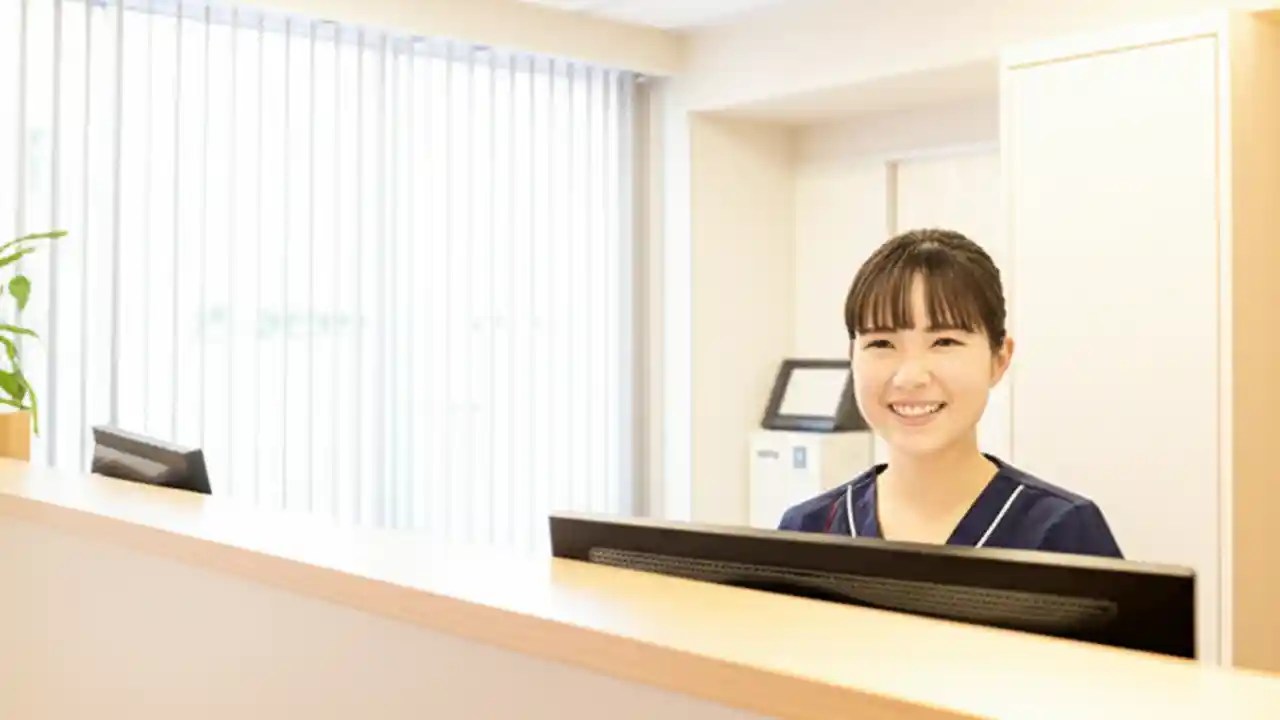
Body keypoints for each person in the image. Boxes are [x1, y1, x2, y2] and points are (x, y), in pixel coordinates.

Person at [778, 229, 1122, 558]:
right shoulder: (807, 533)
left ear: (999, 359)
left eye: (944, 342)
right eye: (882, 343)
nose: (910, 376)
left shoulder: (1062, 533)